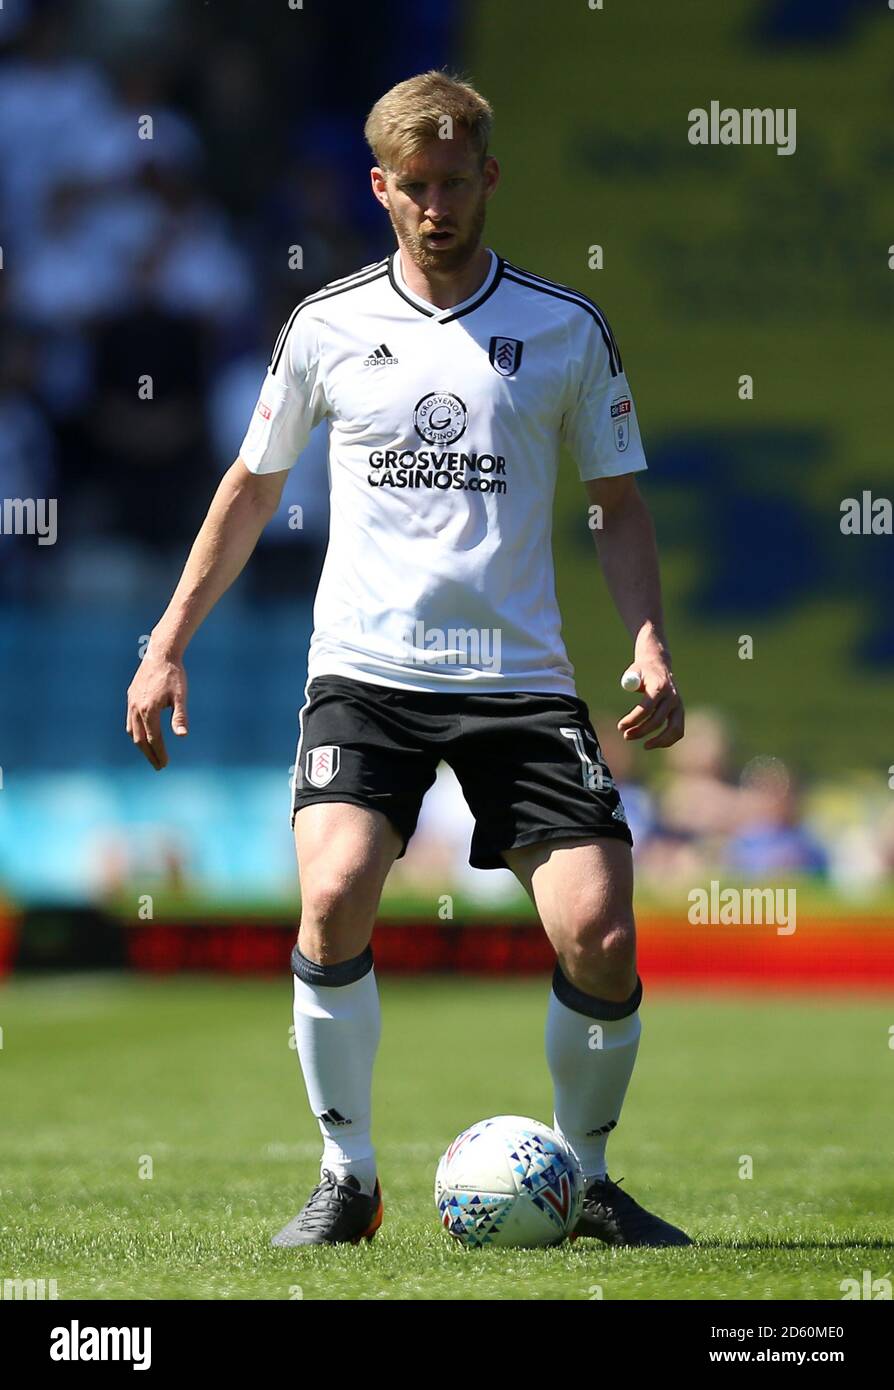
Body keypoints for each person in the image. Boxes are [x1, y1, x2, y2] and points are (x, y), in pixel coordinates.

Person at [125, 70, 691, 1249]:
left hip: (521, 680)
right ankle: (349, 1177)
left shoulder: (563, 328)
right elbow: (249, 488)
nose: (436, 205)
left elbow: (618, 504)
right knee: (331, 894)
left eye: (455, 182)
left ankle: (583, 1180)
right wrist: (166, 641)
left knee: (601, 932)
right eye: (412, 187)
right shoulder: (326, 326)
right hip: (368, 676)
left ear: (489, 176)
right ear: (381, 187)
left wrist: (645, 637)